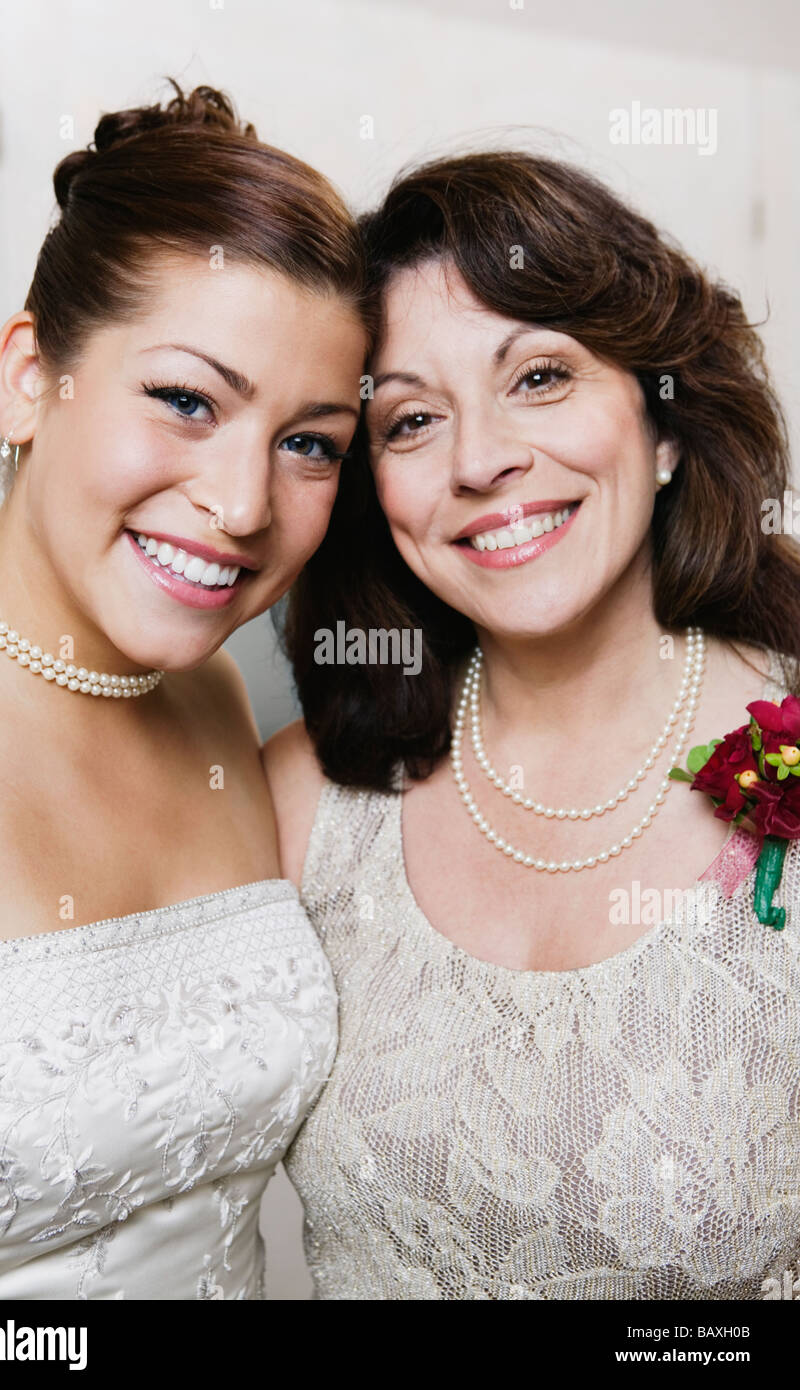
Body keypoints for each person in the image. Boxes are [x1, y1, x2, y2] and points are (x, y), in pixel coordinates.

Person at [265, 150, 800, 1299]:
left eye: (541, 377)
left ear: (663, 427)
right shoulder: (307, 800)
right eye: (411, 421)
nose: (482, 459)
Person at [0, 80, 369, 1299]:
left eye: (310, 442)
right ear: (32, 377)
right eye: (186, 400)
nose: (241, 505)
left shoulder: (219, 701)